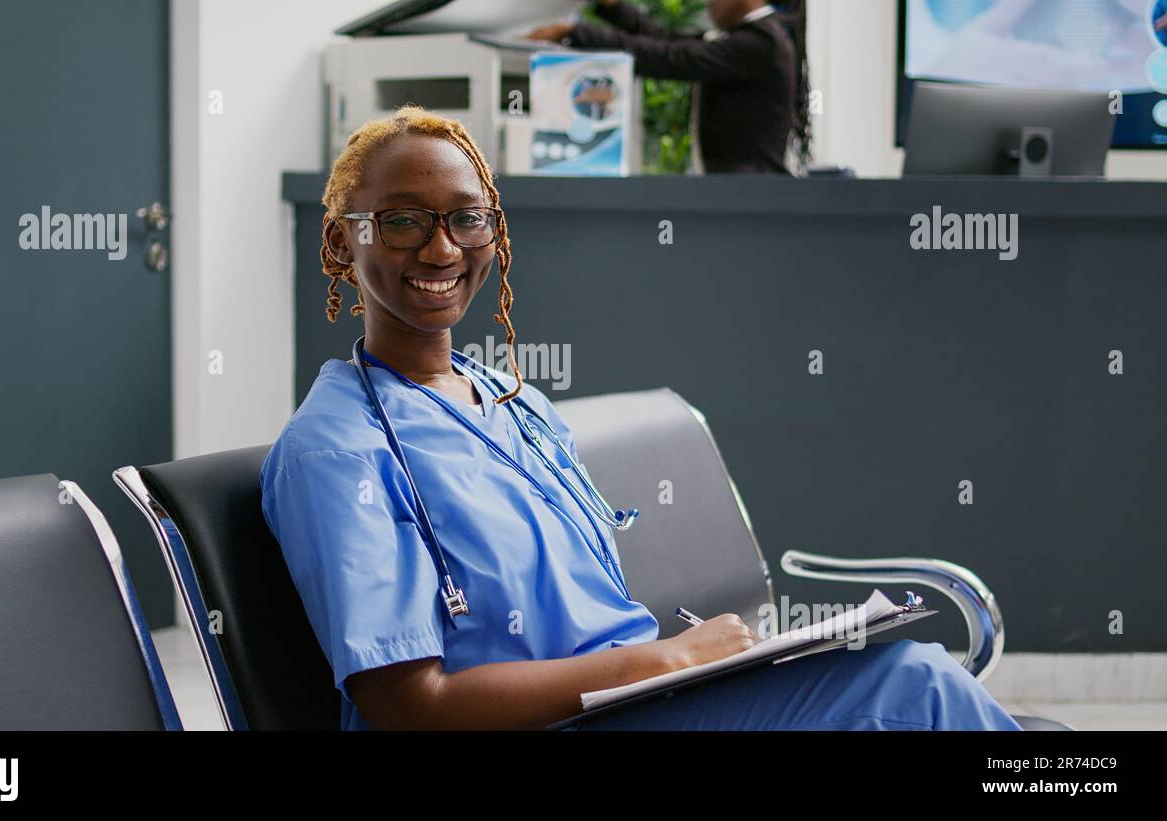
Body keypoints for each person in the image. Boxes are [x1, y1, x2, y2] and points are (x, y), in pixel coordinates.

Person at [259, 104, 1022, 731]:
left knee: (891, 684)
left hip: (643, 703)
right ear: (340, 239)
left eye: (468, 219)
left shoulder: (514, 404)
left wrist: (689, 667)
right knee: (912, 688)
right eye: (401, 221)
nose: (441, 246)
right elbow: (408, 709)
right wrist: (668, 660)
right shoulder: (338, 450)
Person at [528, 0, 810, 174]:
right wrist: (612, 8)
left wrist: (575, 32)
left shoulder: (760, 44)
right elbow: (669, 42)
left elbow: (672, 58)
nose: (710, 5)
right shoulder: (754, 38)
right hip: (742, 187)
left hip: (748, 191)